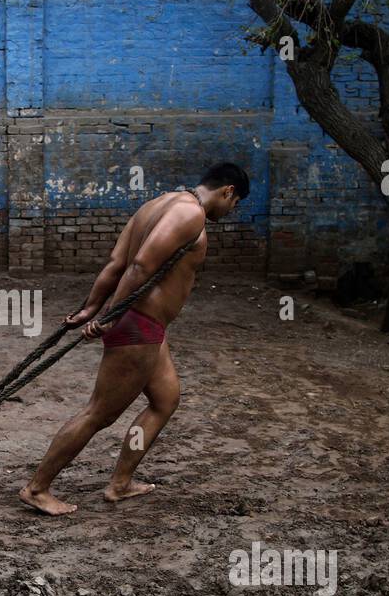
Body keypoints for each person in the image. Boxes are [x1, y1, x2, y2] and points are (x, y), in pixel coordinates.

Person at [19, 162, 249, 516]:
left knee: (165, 400)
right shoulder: (191, 214)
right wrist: (108, 315)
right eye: (235, 204)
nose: (232, 211)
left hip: (147, 327)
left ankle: (121, 483)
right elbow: (140, 267)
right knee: (99, 413)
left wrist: (90, 307)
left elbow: (116, 261)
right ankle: (38, 488)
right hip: (138, 324)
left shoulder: (156, 205)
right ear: (227, 191)